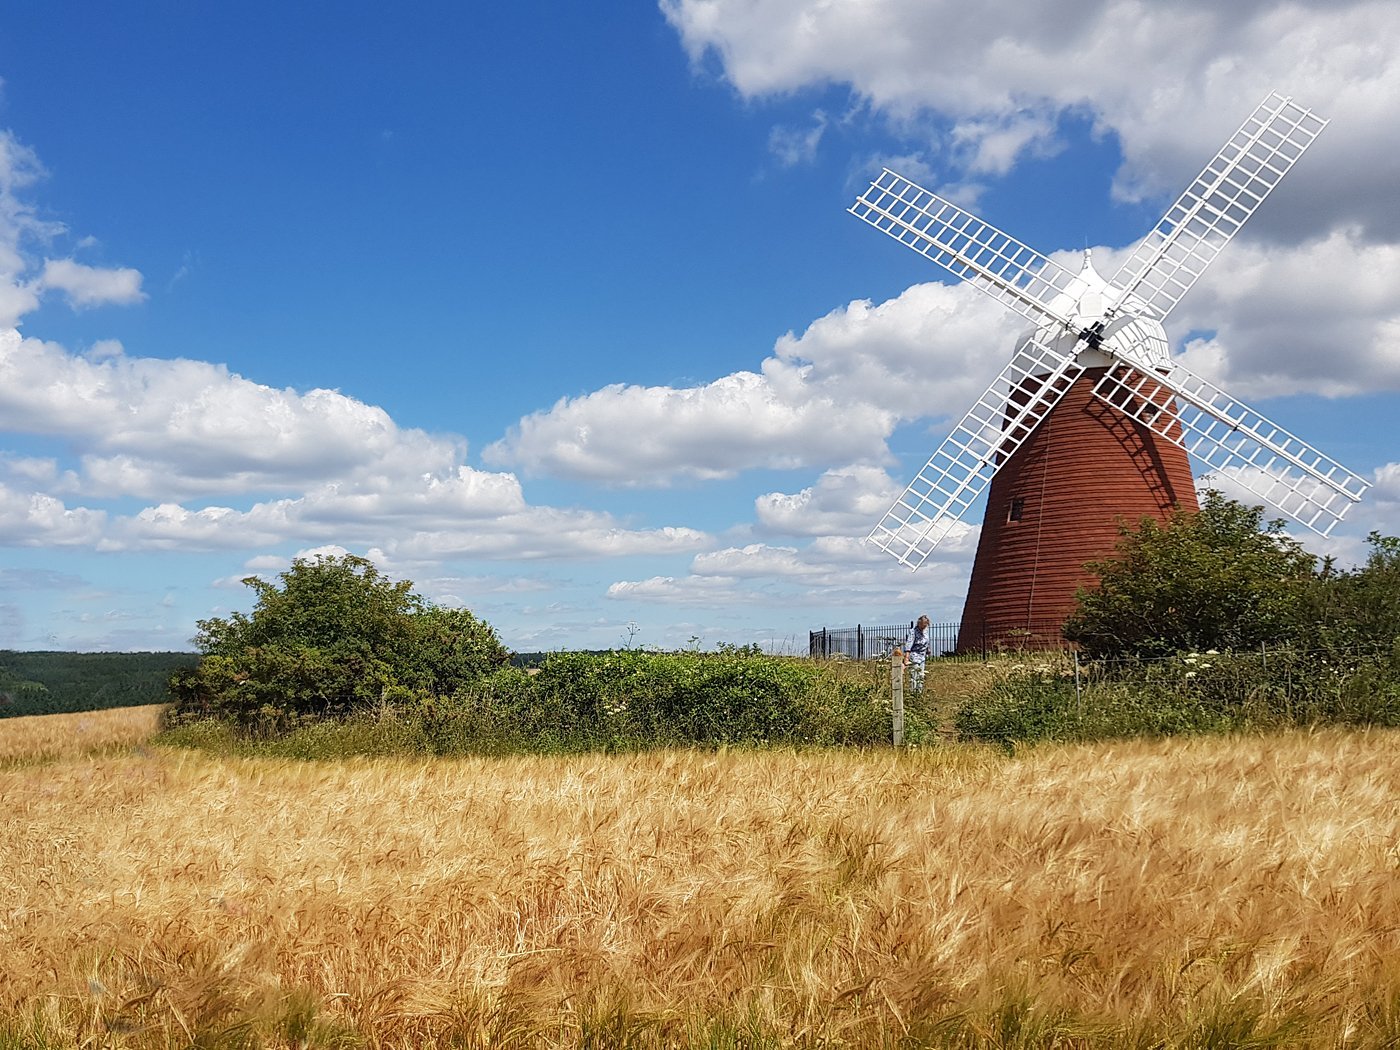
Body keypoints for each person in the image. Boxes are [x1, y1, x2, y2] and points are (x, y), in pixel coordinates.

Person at [903, 615, 931, 692]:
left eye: (925, 625)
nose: (923, 627)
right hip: (914, 655)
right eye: (922, 625)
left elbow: (927, 641)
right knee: (914, 676)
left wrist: (928, 649)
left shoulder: (926, 630)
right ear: (919, 624)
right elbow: (909, 645)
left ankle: (919, 692)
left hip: (922, 656)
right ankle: (913, 692)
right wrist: (906, 658)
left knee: (921, 676)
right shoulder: (913, 632)